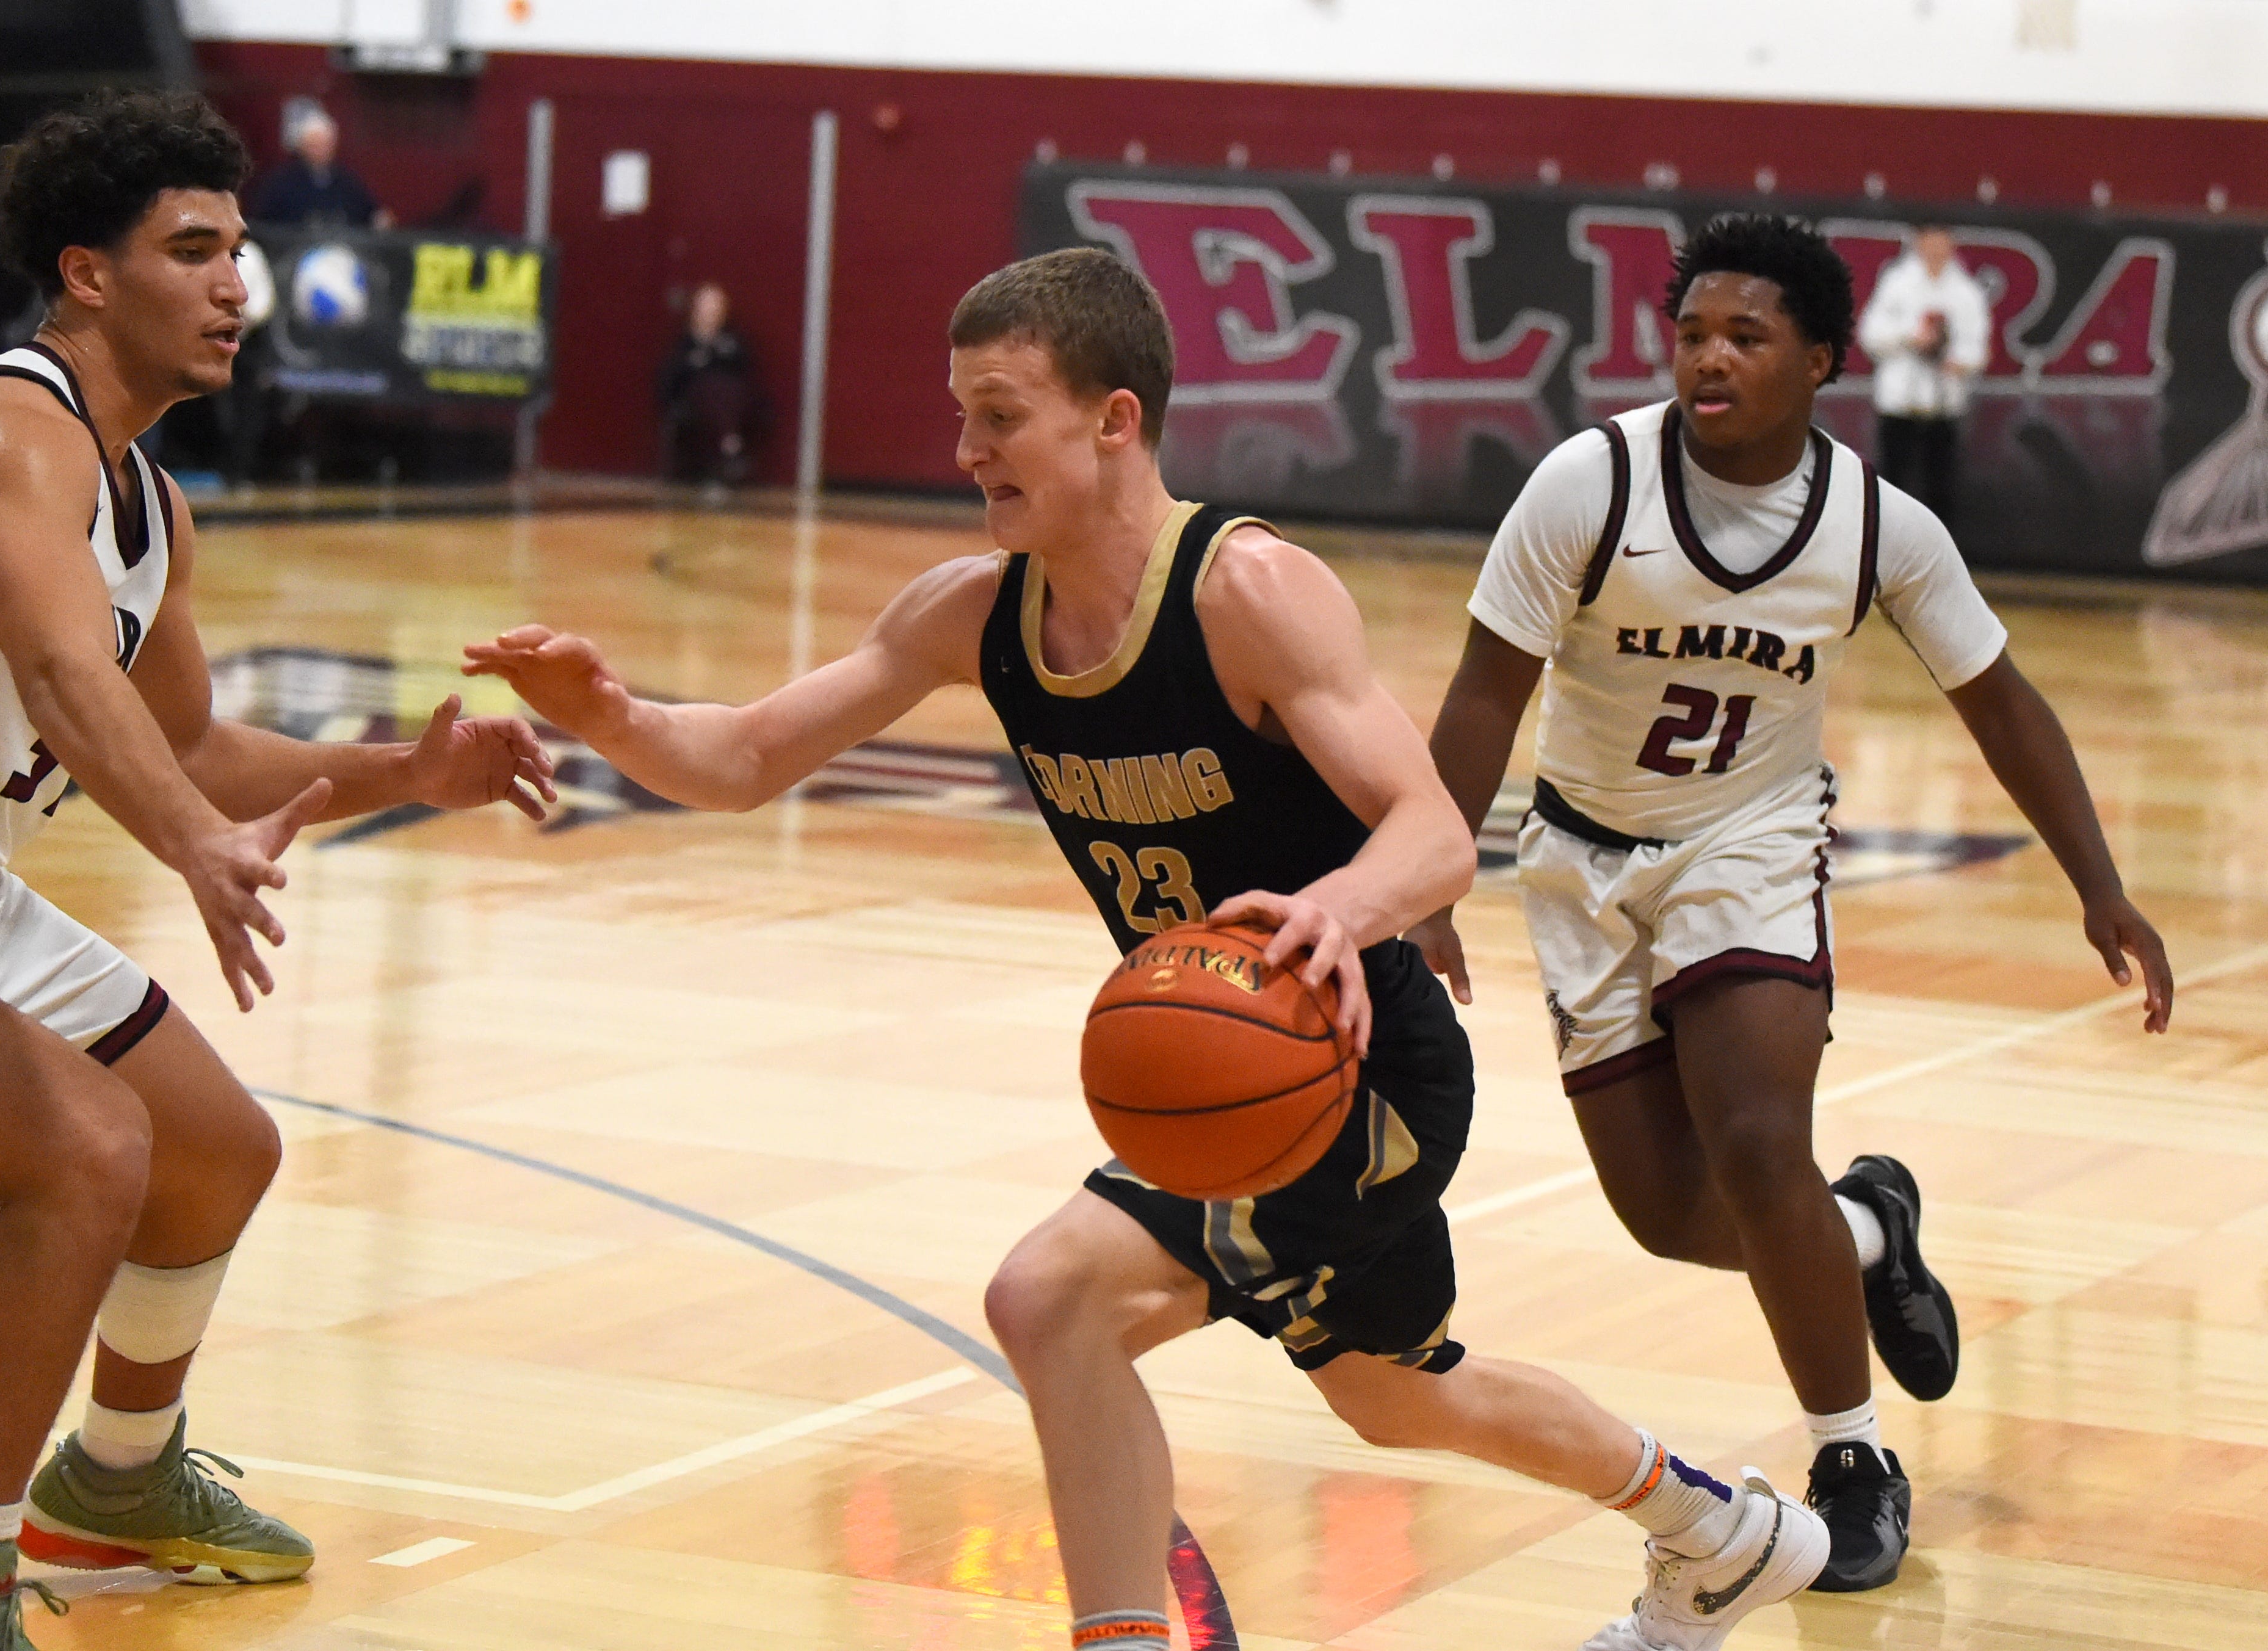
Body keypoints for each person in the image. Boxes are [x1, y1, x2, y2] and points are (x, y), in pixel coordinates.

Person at [467, 247, 1827, 1651]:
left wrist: (1340, 911)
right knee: (1390, 1390)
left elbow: (1428, 828)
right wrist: (613, 713)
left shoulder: (1246, 590)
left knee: (1048, 1296)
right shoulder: (972, 611)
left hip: (1352, 1066)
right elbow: (745, 755)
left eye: (1000, 414)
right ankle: (1717, 1529)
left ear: (1111, 420)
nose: (964, 448)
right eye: (959, 413)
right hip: (1233, 1060)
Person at [0, 91, 555, 1651]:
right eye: (192, 250)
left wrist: (403, 777)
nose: (232, 285)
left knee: (217, 1149)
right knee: (87, 1153)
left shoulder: (152, 503)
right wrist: (189, 850)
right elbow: (69, 679)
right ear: (86, 273)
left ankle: (120, 1480)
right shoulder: (7, 427)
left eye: (240, 251)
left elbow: (190, 747)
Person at [1415, 214, 2172, 1594]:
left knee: (1760, 1145)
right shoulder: (1588, 485)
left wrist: (2098, 884)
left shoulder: (1878, 525)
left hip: (1748, 843)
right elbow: (1481, 694)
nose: (1708, 357)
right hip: (1582, 858)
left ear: (1819, 359)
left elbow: (1997, 699)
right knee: (1667, 1213)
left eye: (1744, 336)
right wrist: (1425, 877)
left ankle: (1852, 1458)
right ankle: (1873, 1225)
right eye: (1690, 331)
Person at [1856, 224, 1990, 526]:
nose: (1935, 253)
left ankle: (1940, 557)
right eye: (1930, 245)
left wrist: (1957, 361)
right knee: (1892, 482)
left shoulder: (1966, 292)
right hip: (1899, 403)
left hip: (1943, 405)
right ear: (1919, 245)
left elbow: (1978, 350)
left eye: (1942, 246)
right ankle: (1883, 548)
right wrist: (1912, 337)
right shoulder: (1897, 283)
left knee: (1940, 485)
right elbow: (1871, 335)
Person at [656, 281, 765, 487]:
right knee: (709, 389)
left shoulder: (733, 341)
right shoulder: (683, 343)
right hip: (692, 403)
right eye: (707, 307)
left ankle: (727, 451)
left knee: (723, 390)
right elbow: (670, 380)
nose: (711, 312)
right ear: (695, 310)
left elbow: (745, 371)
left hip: (730, 403)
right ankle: (731, 448)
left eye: (716, 307)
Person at [247, 105, 390, 231]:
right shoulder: (281, 183)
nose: (321, 150)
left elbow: (371, 215)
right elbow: (264, 225)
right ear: (301, 146)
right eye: (314, 145)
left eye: (325, 144)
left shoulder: (347, 181)